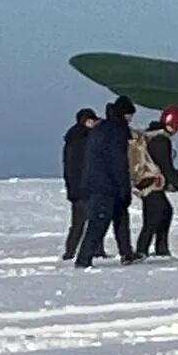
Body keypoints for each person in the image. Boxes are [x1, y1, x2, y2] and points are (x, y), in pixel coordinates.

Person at [75, 96, 141, 268]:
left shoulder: (103, 127)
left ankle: (127, 253)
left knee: (121, 217)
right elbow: (117, 162)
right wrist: (124, 188)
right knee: (99, 222)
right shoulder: (116, 130)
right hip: (105, 185)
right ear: (124, 114)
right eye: (130, 115)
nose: (131, 119)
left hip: (97, 182)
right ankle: (83, 260)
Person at [135, 105, 178, 258]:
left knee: (163, 212)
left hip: (147, 182)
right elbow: (166, 166)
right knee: (155, 217)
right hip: (152, 184)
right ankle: (143, 251)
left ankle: (159, 248)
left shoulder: (150, 136)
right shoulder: (160, 140)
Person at [62, 107, 101, 261]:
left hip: (75, 188)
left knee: (78, 223)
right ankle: (96, 250)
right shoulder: (84, 140)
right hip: (85, 187)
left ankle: (70, 251)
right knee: (93, 220)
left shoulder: (73, 139)